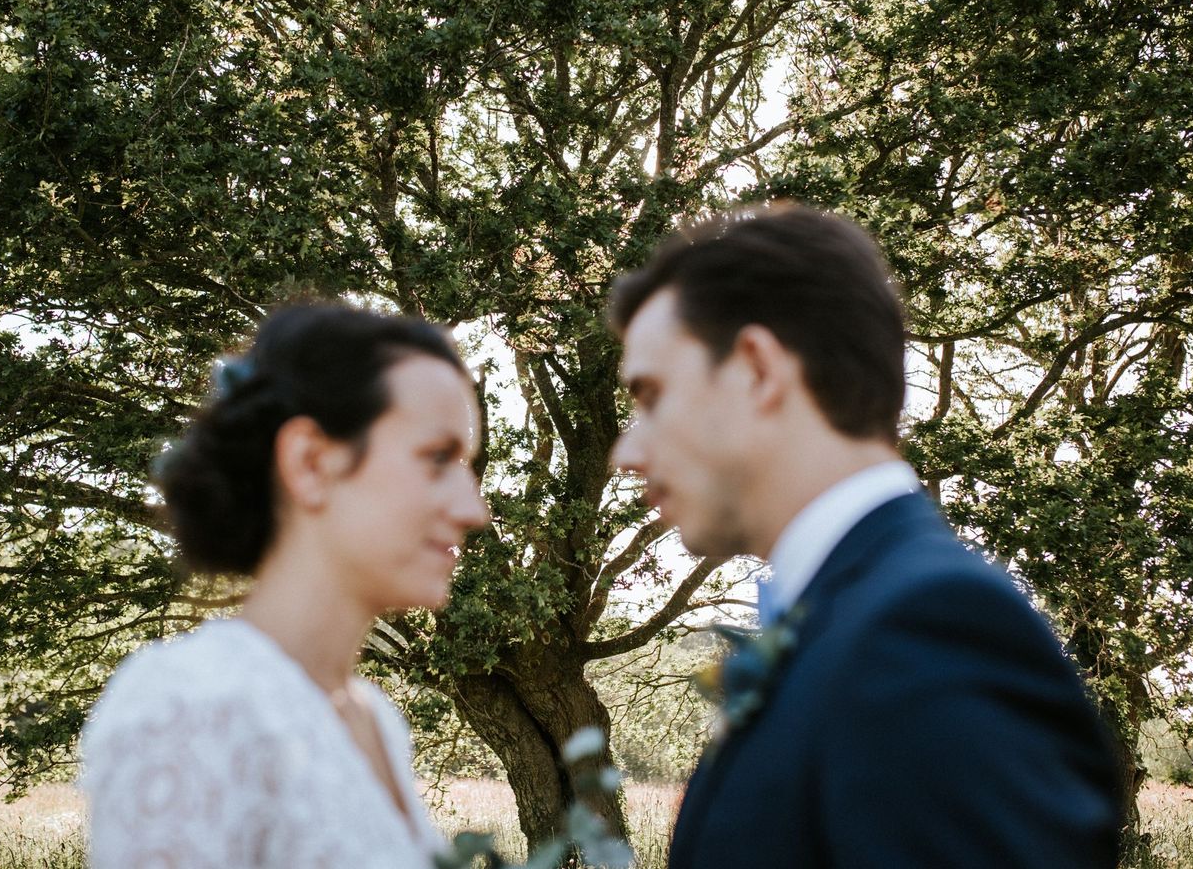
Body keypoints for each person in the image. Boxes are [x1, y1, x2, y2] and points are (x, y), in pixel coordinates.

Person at [609, 205, 1122, 868]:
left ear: (758, 369)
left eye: (650, 396)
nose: (627, 451)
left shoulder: (931, 634)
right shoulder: (845, 623)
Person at [80, 303, 490, 869]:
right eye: (438, 457)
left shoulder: (376, 719)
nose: (475, 509)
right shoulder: (193, 705)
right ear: (311, 463)